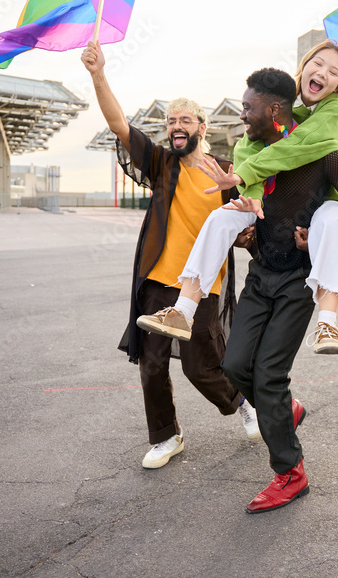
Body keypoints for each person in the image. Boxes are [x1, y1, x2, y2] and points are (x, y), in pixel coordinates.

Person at [80, 41, 259, 470]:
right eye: (170, 120)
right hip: (158, 281)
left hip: (203, 286)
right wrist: (98, 74)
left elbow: (245, 227)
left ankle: (242, 402)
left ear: (203, 125)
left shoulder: (224, 172)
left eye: (185, 119)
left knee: (201, 368)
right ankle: (166, 437)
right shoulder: (162, 163)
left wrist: (248, 236)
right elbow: (120, 124)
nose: (176, 125)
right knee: (152, 363)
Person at [135, 41, 338, 355]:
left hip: (321, 199)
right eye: (317, 63)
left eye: (333, 72)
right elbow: (248, 147)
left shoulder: (334, 109)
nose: (322, 73)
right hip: (276, 199)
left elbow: (298, 146)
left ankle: (328, 322)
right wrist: (250, 195)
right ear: (305, 65)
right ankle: (183, 311)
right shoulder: (282, 104)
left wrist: (241, 176)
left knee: (334, 219)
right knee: (222, 216)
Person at [217, 68, 338, 513]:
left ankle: (291, 473)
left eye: (249, 107)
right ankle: (286, 408)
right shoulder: (253, 154)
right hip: (260, 273)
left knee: (267, 376)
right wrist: (245, 234)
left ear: (275, 109)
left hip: (297, 281)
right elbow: (247, 213)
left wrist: (326, 239)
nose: (243, 115)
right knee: (234, 364)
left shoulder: (322, 152)